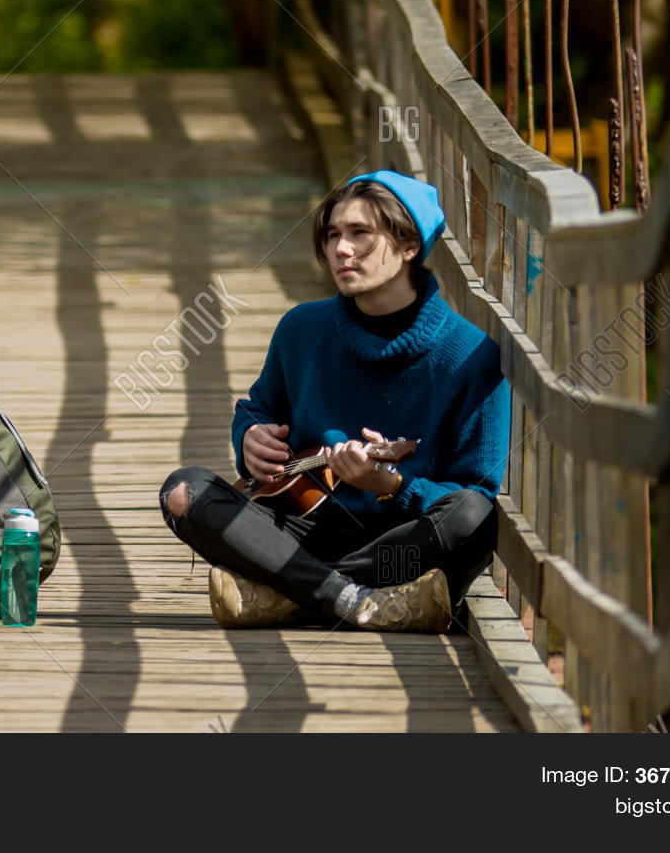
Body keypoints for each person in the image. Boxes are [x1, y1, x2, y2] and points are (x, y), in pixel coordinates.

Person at [158, 170, 511, 632]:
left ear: (409, 246)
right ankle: (355, 600)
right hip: (302, 533)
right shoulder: (301, 329)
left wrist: (391, 485)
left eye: (360, 234)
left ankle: (290, 595)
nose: (341, 249)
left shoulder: (470, 357)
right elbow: (260, 408)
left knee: (474, 518)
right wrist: (248, 437)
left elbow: (473, 495)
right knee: (184, 492)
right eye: (333, 235)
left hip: (398, 544)